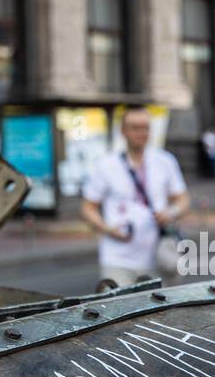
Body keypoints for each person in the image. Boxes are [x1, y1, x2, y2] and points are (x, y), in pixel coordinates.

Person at [80, 106, 190, 287]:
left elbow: (183, 199)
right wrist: (108, 229)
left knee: (159, 313)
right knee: (119, 311)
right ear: (123, 130)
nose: (141, 132)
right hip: (117, 259)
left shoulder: (165, 161)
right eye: (135, 127)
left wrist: (171, 212)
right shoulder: (106, 165)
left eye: (145, 127)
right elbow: (88, 208)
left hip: (157, 258)